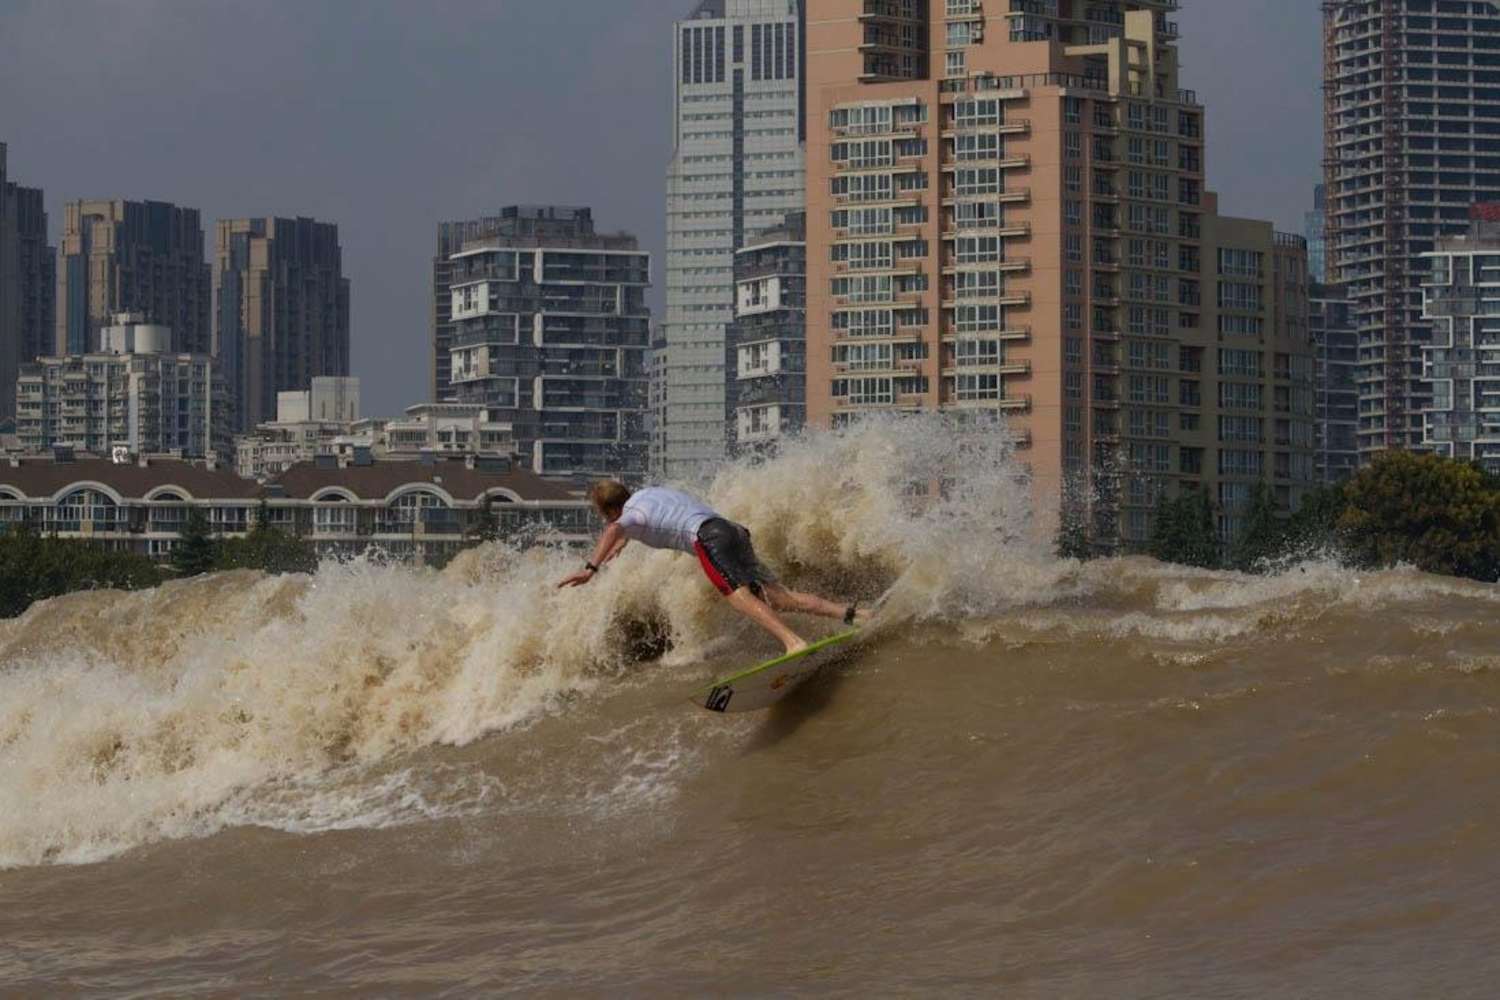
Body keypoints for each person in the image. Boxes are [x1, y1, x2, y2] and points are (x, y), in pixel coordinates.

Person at [556, 480, 867, 655]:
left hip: (707, 539)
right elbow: (638, 524)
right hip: (733, 530)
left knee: (738, 596)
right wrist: (622, 543)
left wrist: (590, 568)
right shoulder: (649, 495)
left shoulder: (627, 518)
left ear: (610, 509)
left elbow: (615, 528)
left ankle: (793, 643)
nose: (605, 520)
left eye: (602, 513)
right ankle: (855, 615)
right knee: (778, 597)